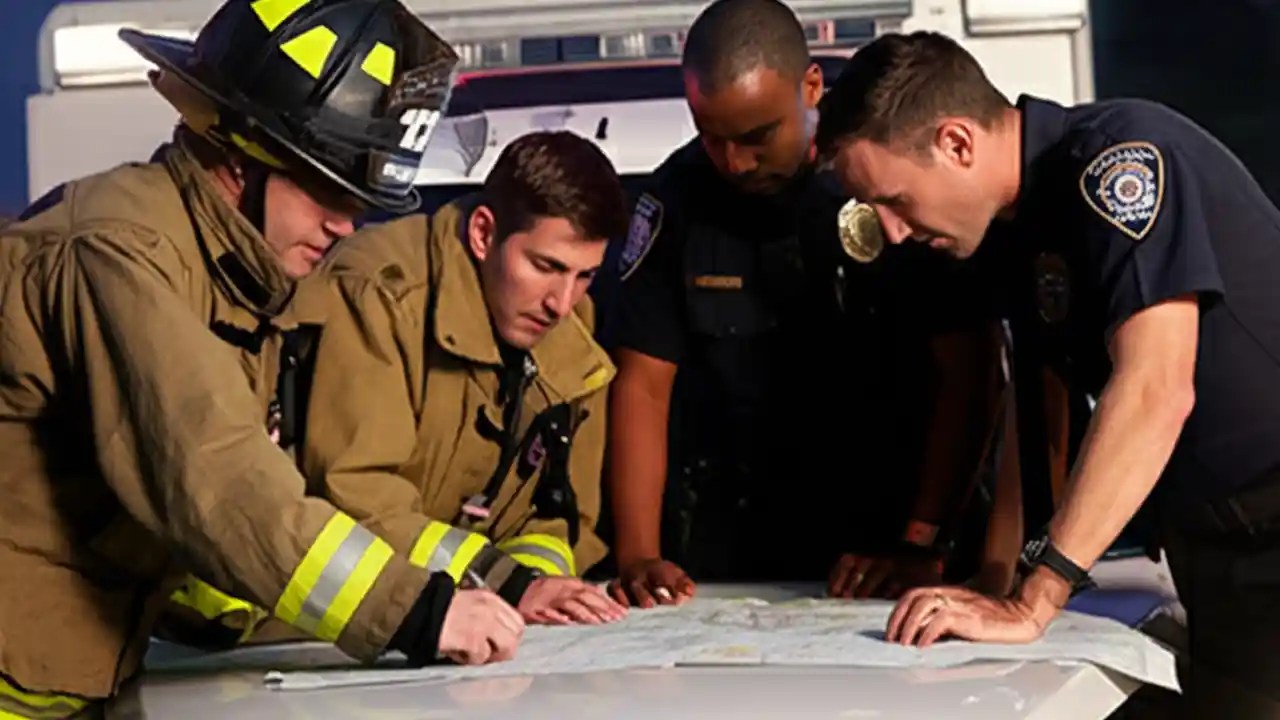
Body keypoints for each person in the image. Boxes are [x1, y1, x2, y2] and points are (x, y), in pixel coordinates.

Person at [0, 2, 524, 716]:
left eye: (361, 199)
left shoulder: (231, 272)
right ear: (237, 151)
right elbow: (216, 475)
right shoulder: (121, 251)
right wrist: (418, 612)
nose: (347, 222)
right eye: (328, 187)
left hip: (75, 676)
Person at [816, 29, 1280, 718]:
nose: (891, 233)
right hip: (1214, 548)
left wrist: (1038, 598)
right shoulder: (1019, 224)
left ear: (956, 143)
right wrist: (1000, 578)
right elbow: (1040, 406)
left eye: (896, 202)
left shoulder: (1119, 162)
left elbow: (1155, 389)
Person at [603, 0, 996, 608]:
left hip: (891, 550)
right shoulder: (674, 203)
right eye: (712, 138)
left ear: (811, 87)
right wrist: (638, 556)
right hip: (735, 556)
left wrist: (923, 541)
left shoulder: (889, 178)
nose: (734, 162)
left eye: (758, 136)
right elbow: (642, 386)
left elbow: (969, 373)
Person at [291, 130, 630, 627]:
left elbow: (554, 523)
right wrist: (510, 584)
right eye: (546, 266)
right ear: (483, 234)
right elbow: (356, 499)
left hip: (471, 635)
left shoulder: (573, 336)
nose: (562, 302)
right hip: (304, 634)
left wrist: (539, 592)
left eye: (585, 276)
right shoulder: (378, 294)